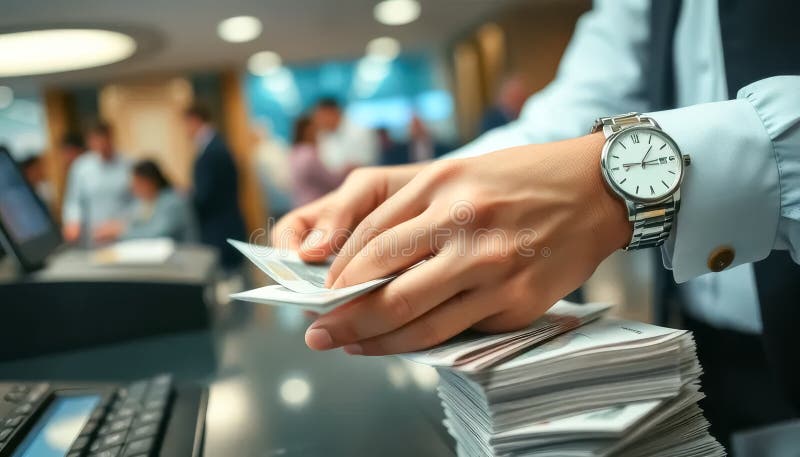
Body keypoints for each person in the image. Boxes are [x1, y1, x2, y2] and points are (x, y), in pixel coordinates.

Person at [274, 1, 800, 454]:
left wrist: (609, 188)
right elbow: (579, 108)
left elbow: (585, 156)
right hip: (698, 353)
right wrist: (431, 187)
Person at [184, 103, 246, 270]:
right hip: (224, 225)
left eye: (186, 124)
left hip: (220, 228)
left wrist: (189, 196)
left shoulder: (213, 150)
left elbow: (206, 194)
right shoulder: (215, 145)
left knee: (229, 280)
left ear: (194, 120)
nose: (185, 131)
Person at [61, 122, 131, 244]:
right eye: (96, 141)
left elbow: (139, 202)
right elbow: (73, 201)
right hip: (92, 235)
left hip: (122, 233)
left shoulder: (128, 165)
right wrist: (73, 222)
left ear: (111, 138)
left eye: (103, 140)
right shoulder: (81, 167)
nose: (101, 145)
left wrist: (123, 224)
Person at [119, 159, 197, 242]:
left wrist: (122, 232)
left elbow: (157, 234)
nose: (134, 189)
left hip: (184, 251)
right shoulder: (146, 202)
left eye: (138, 184)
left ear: (151, 182)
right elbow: (134, 223)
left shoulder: (173, 201)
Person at [289, 116, 348, 207]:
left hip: (300, 203)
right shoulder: (309, 155)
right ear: (308, 132)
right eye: (315, 130)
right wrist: (347, 171)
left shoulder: (294, 153)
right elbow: (331, 181)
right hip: (316, 204)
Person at [313, 97, 379, 173]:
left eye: (321, 116)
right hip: (333, 181)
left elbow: (370, 158)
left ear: (334, 112)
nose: (318, 120)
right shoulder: (323, 135)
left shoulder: (361, 130)